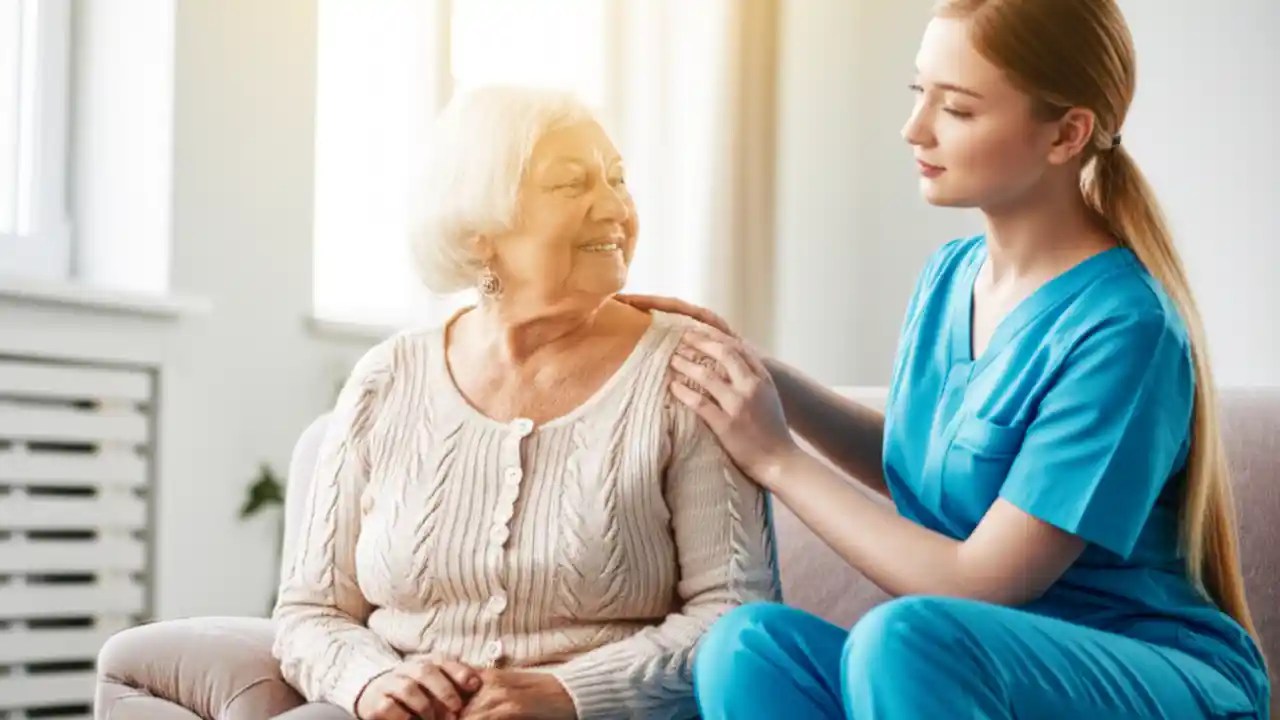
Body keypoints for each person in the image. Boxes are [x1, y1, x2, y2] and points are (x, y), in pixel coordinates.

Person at [625, 1, 1272, 718]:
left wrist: (777, 457)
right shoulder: (950, 276)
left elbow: (981, 581)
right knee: (747, 646)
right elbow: (929, 467)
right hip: (966, 665)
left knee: (902, 639)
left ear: (1067, 133)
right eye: (918, 93)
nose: (915, 129)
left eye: (957, 109)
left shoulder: (1126, 329)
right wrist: (757, 374)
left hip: (1151, 674)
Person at [94, 86, 777, 720]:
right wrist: (370, 681)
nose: (614, 206)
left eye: (618, 179)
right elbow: (309, 611)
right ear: (481, 228)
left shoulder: (687, 370)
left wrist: (569, 692)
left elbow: (734, 615)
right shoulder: (388, 377)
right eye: (573, 183)